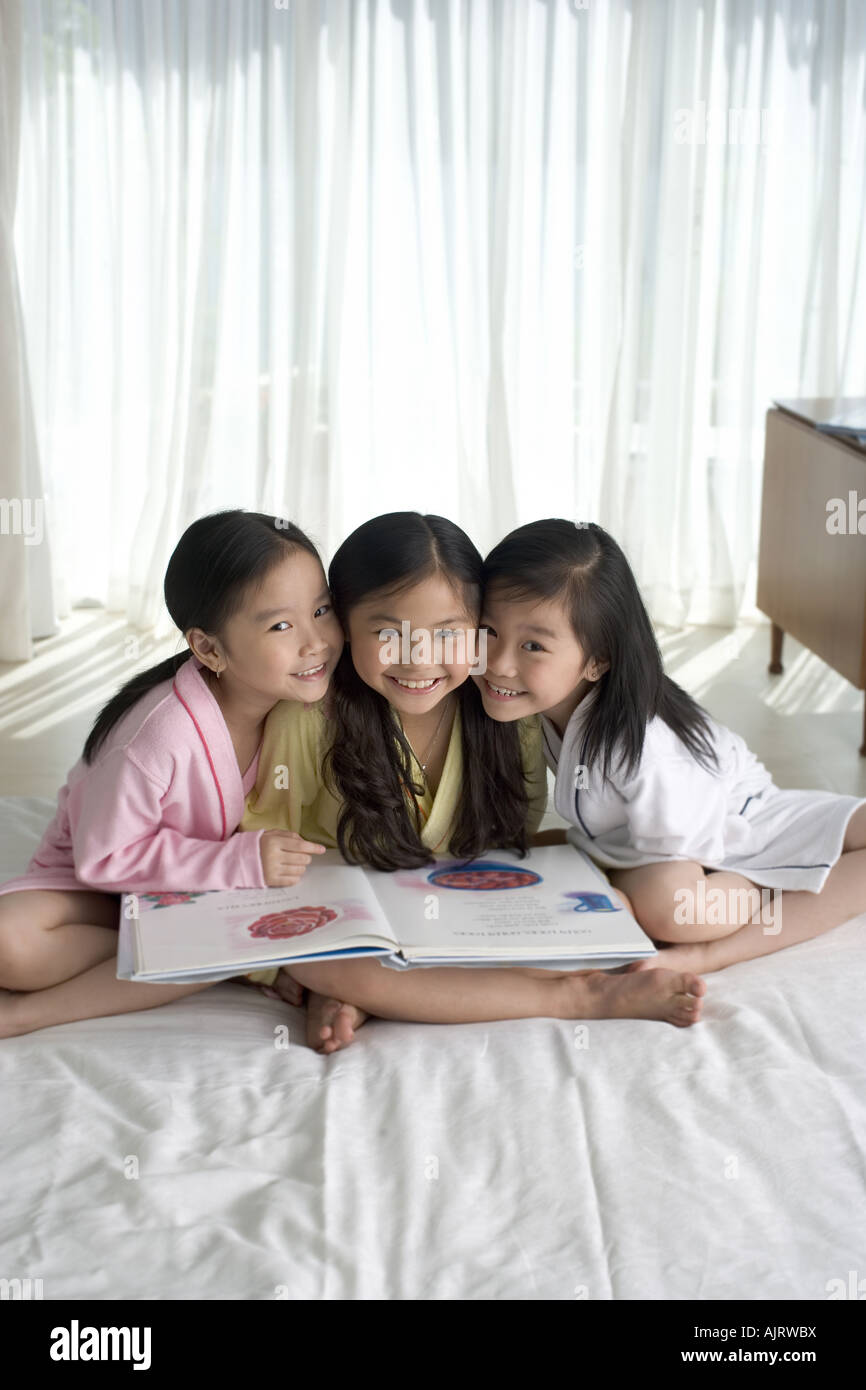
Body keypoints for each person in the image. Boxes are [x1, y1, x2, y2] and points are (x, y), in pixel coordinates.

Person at [241, 512, 706, 1051]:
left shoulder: (503, 713)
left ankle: (387, 994)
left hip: (462, 906)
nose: (420, 660)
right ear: (343, 625)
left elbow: (510, 844)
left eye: (449, 634)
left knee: (610, 907)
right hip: (356, 915)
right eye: (389, 633)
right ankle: (579, 996)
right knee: (321, 965)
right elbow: (266, 858)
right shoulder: (308, 719)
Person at [473, 517, 866, 978]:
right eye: (489, 631)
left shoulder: (643, 746)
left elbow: (683, 854)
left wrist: (688, 928)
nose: (498, 663)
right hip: (660, 836)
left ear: (598, 660)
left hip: (733, 823)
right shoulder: (543, 706)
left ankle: (769, 885)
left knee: (674, 909)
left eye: (534, 645)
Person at [0, 510, 339, 1038]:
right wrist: (237, 863)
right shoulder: (157, 736)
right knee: (10, 946)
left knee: (216, 931)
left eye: (322, 610)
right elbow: (105, 858)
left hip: (197, 894)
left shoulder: (297, 706)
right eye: (281, 625)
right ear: (208, 648)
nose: (315, 640)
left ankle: (203, 951)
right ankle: (35, 1010)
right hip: (96, 889)